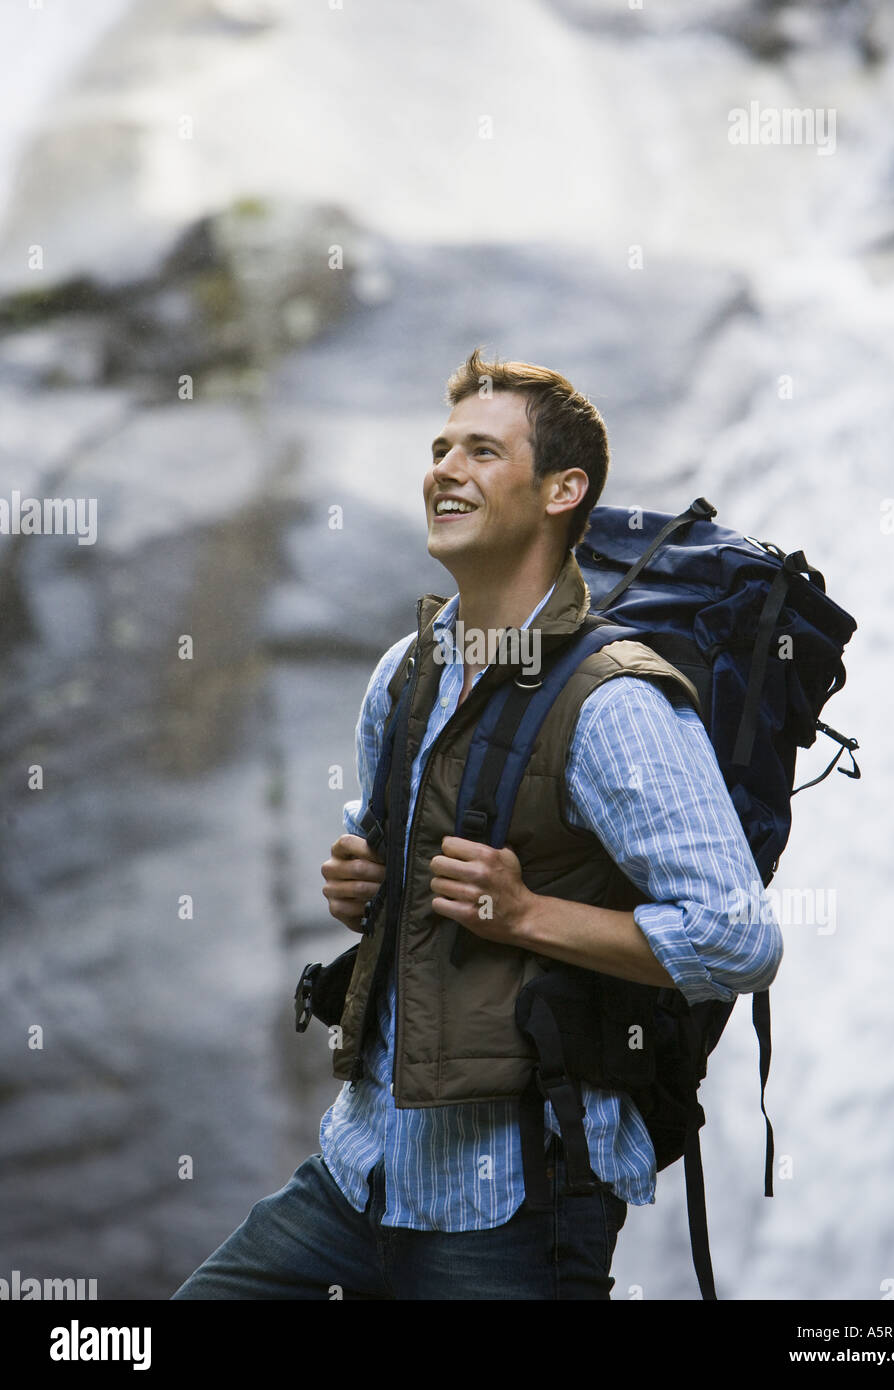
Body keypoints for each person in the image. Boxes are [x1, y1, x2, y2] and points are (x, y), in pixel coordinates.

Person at [171, 348, 782, 1301]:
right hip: (359, 1171)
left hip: (512, 1205)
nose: (445, 469)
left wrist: (526, 914)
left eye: (482, 452)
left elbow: (740, 939)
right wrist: (358, 887)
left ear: (561, 490)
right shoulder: (404, 673)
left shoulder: (615, 705)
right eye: (440, 446)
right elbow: (392, 896)